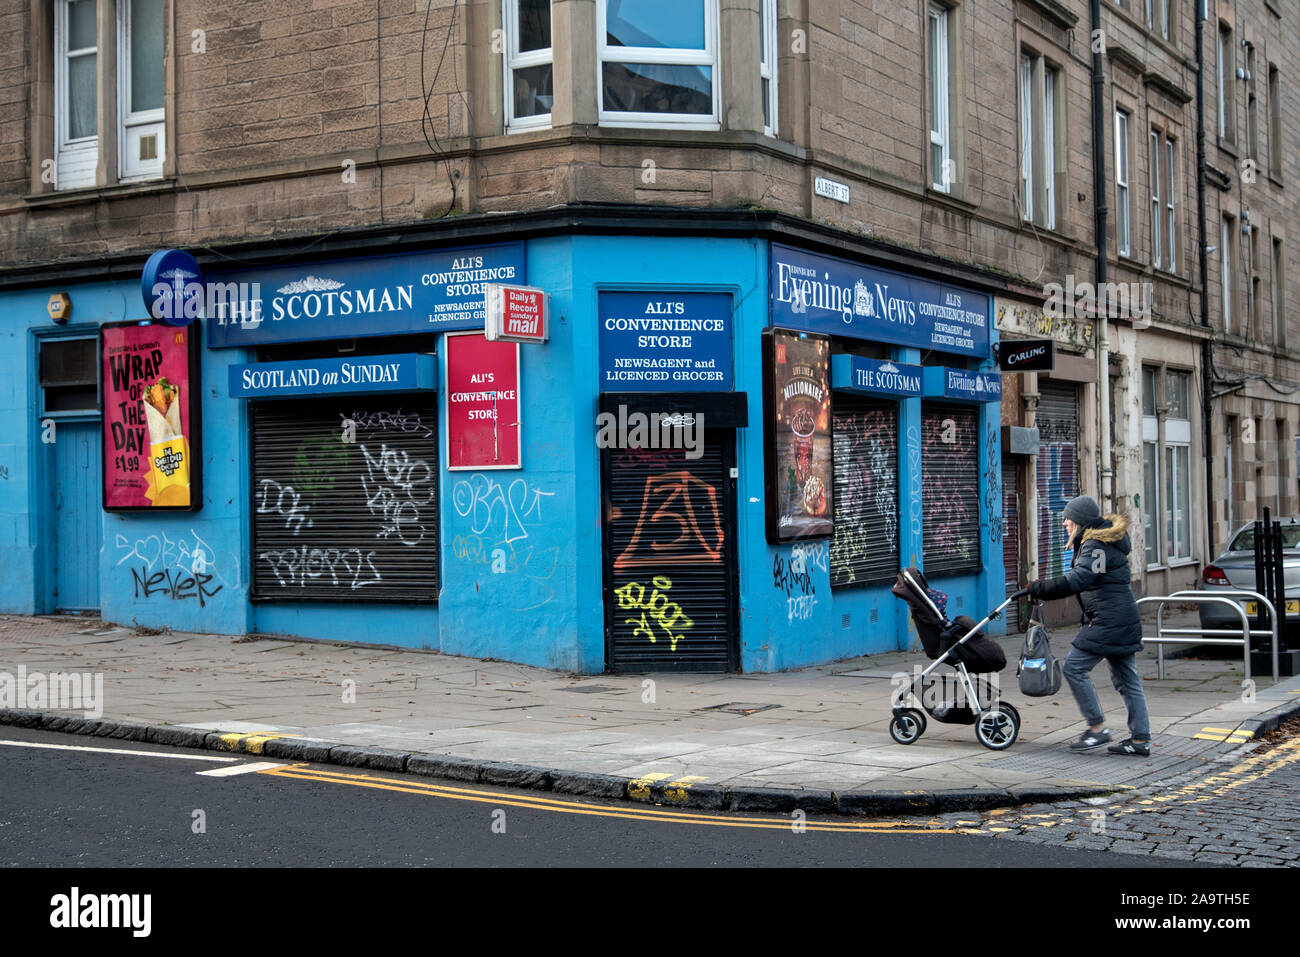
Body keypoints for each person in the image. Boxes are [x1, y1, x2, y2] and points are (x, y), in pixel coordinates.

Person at [1027, 494, 1151, 756]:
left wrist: (1040, 589)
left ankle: (1097, 728)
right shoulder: (1100, 542)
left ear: (1081, 522)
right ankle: (1140, 740)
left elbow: (1080, 578)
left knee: (1074, 668)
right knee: (1127, 679)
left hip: (1110, 621)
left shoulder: (1096, 545)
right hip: (1119, 618)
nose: (1065, 524)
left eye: (1068, 520)